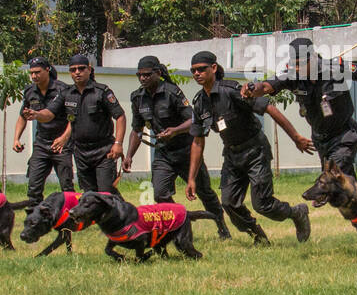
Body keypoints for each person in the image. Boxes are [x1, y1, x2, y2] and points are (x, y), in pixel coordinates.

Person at [185, 50, 313, 245]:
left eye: (201, 69)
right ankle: (257, 236)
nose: (196, 74)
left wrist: (296, 137)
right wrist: (191, 178)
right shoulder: (199, 103)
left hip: (255, 151)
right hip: (232, 155)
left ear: (213, 68)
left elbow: (269, 108)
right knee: (229, 203)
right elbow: (197, 141)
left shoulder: (233, 90)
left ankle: (296, 213)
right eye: (193, 70)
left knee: (262, 204)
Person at [123, 55, 231, 239]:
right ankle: (179, 224)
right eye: (139, 75)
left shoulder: (172, 93)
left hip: (186, 151)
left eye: (147, 74)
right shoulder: (137, 98)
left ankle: (222, 227)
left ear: (157, 73)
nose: (142, 78)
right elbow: (136, 130)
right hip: (163, 153)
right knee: (160, 194)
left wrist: (175, 130)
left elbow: (193, 120)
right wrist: (129, 156)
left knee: (205, 192)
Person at [241, 37, 357, 178]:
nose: (298, 68)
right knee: (343, 184)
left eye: (301, 64)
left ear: (313, 57)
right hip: (320, 139)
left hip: (344, 134)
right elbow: (265, 86)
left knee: (331, 179)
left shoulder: (334, 68)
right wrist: (252, 88)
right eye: (295, 64)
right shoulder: (292, 75)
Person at [12, 56, 74, 205]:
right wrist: (16, 139)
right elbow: (23, 116)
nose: (34, 76)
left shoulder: (63, 89)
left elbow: (73, 118)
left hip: (61, 143)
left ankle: (70, 218)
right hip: (41, 143)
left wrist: (65, 138)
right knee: (34, 186)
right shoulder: (29, 91)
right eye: (32, 73)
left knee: (66, 186)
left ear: (47, 70)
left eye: (38, 72)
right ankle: (34, 217)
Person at [62, 54, 126, 196]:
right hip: (81, 152)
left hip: (104, 152)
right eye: (73, 70)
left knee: (106, 192)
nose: (77, 72)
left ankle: (123, 215)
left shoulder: (102, 91)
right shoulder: (67, 94)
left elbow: (120, 116)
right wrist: (37, 115)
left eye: (81, 68)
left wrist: (118, 143)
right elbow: (57, 115)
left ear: (89, 70)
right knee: (89, 195)